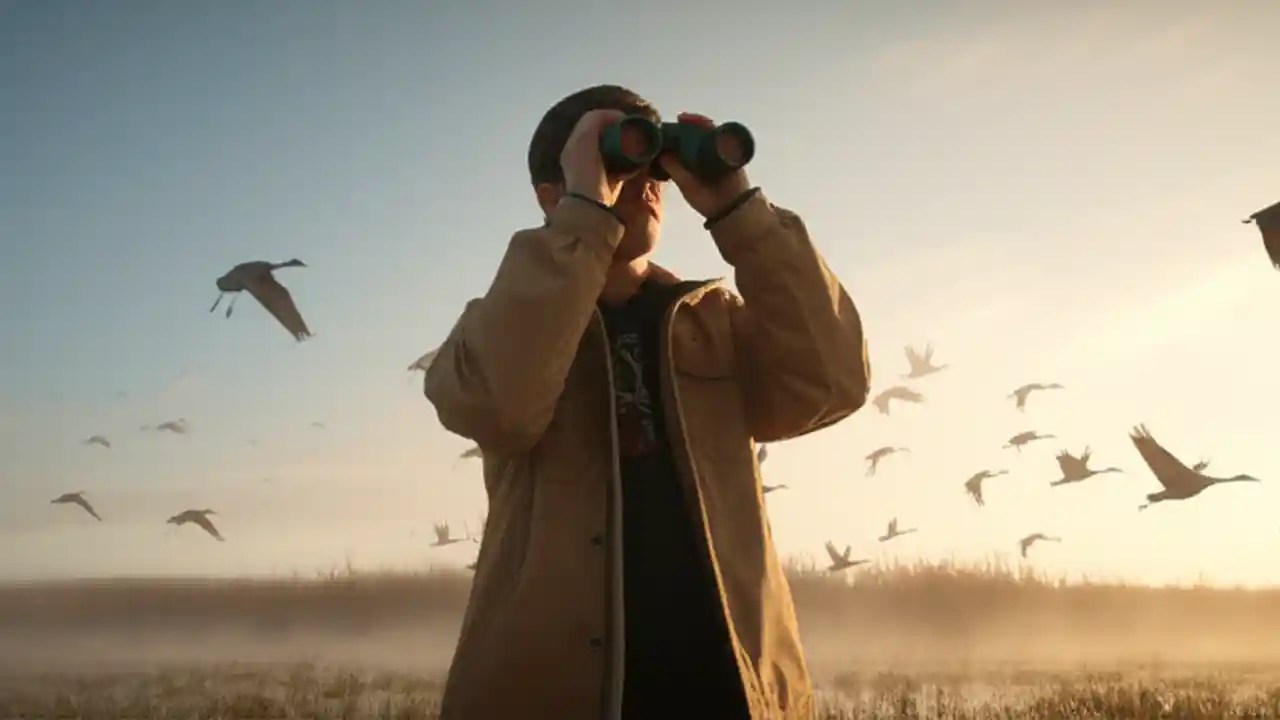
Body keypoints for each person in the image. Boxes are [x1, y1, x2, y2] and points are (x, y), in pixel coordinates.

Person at [423, 85, 871, 720]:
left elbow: (832, 385)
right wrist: (585, 215)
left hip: (729, 685)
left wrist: (740, 211)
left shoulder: (717, 324)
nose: (648, 183)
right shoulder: (500, 326)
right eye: (621, 165)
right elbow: (501, 408)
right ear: (553, 193)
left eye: (654, 164)